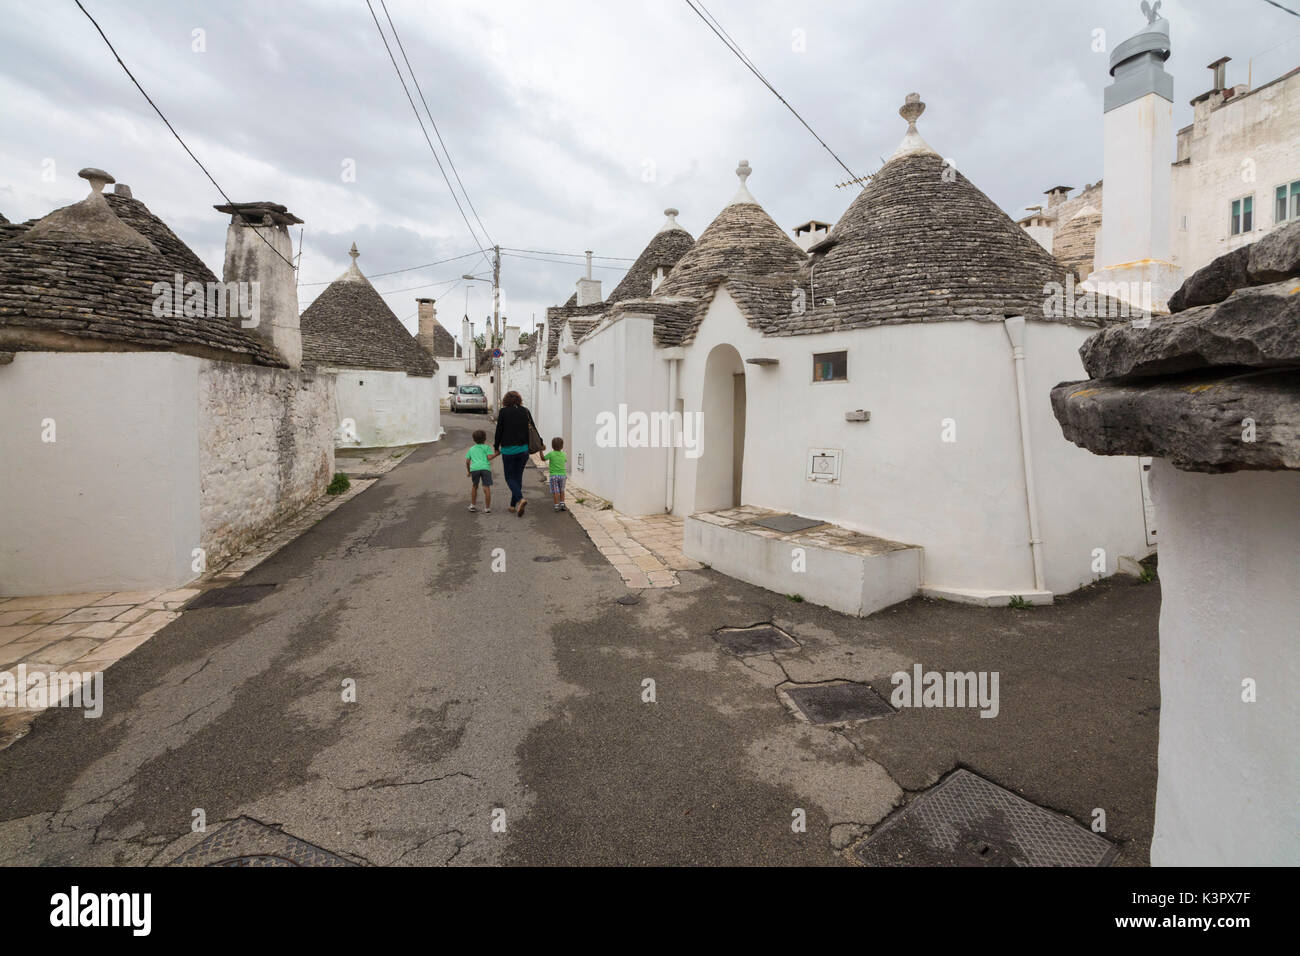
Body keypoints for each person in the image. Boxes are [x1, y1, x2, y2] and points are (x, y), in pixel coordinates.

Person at [493, 390, 540, 517]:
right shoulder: (525, 411)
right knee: (517, 477)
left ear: (505, 401)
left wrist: (496, 446)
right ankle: (513, 505)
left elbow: (499, 430)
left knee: (509, 477)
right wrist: (540, 443)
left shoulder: (503, 412)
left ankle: (520, 499)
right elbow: (533, 428)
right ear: (519, 399)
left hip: (508, 451)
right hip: (523, 450)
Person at [466, 429, 499, 513]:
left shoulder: (471, 449)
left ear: (474, 439)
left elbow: (467, 461)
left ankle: (473, 505)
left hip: (475, 469)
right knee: (486, 487)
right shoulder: (487, 447)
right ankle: (487, 508)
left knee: (474, 486)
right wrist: (497, 453)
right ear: (485, 439)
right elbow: (489, 458)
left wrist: (469, 471)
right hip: (485, 468)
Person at [541, 437, 568, 512]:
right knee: (562, 490)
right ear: (562, 446)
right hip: (562, 475)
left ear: (552, 446)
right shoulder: (563, 454)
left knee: (556, 491)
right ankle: (562, 504)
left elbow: (543, 458)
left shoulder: (551, 454)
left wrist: (541, 451)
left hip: (554, 476)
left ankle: (556, 506)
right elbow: (565, 460)